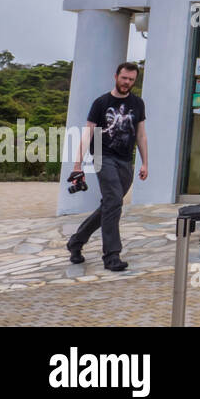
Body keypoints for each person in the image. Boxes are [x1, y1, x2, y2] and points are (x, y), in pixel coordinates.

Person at [67, 62, 148, 271]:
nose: (127, 82)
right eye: (124, 78)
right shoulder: (101, 102)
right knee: (114, 203)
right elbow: (88, 133)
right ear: (116, 76)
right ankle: (111, 255)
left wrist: (145, 162)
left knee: (110, 205)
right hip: (103, 157)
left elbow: (140, 134)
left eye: (131, 79)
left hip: (125, 160)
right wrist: (77, 165)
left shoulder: (138, 103)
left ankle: (76, 241)